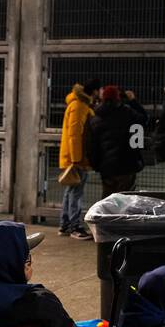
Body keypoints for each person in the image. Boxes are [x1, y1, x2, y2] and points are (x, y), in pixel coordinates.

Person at [85, 84, 147, 196]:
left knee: (108, 200)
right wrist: (133, 100)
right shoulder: (127, 112)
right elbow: (143, 119)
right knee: (125, 200)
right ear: (118, 97)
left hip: (106, 167)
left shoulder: (96, 117)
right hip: (127, 165)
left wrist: (96, 164)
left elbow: (92, 144)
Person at [59, 78, 100, 239]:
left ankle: (65, 225)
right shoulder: (79, 106)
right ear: (94, 91)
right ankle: (74, 227)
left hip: (74, 157)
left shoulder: (79, 104)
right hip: (76, 158)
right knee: (76, 193)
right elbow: (75, 135)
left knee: (71, 191)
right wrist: (77, 160)